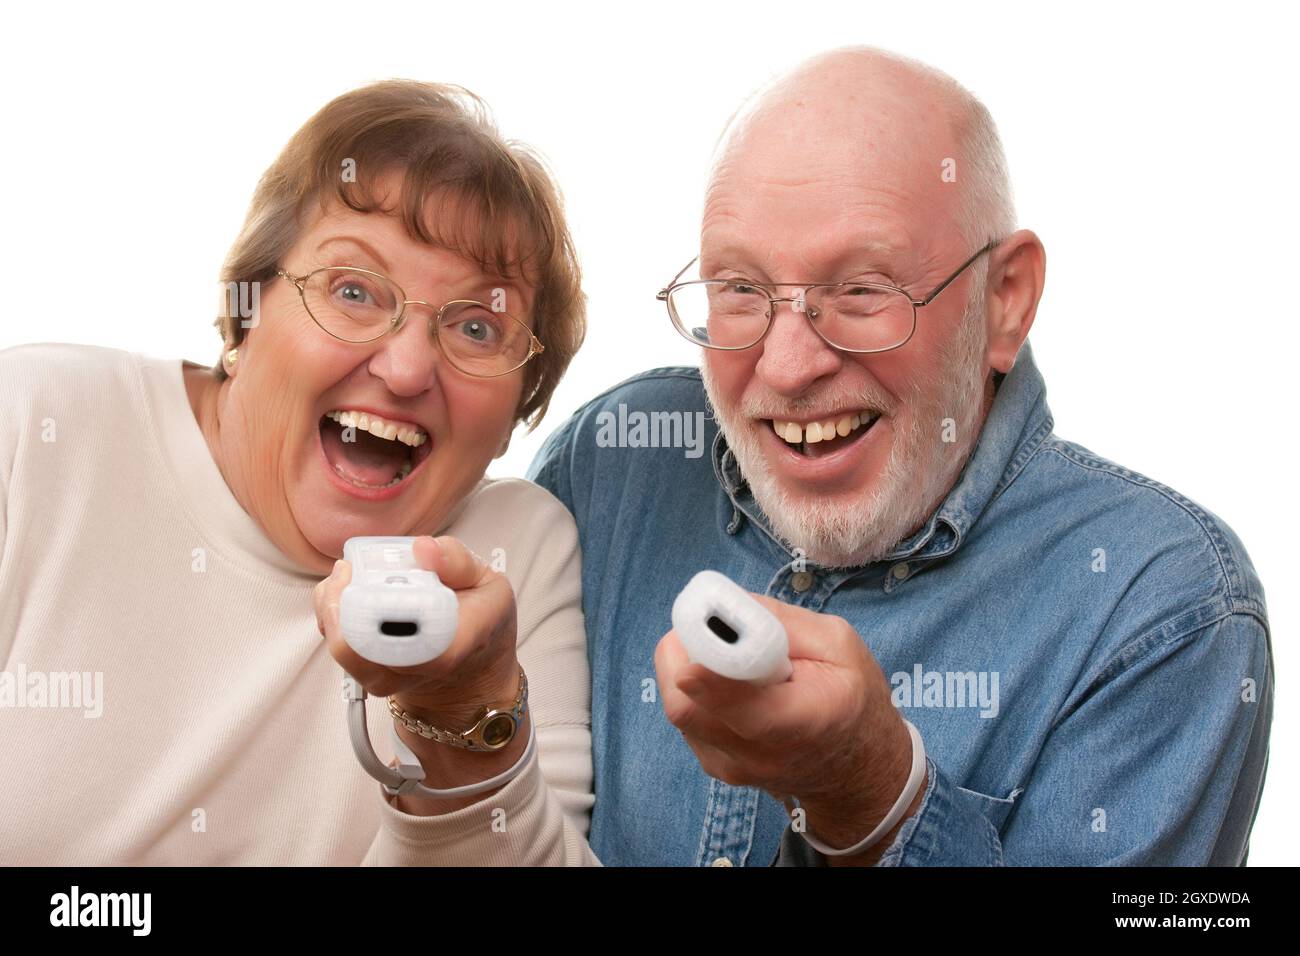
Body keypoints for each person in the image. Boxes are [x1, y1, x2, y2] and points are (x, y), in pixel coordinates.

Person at [526, 47, 1274, 866]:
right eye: (740, 289)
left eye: (859, 291)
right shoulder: (611, 463)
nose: (786, 368)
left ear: (1005, 300)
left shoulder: (1164, 607)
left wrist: (874, 798)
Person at [0, 79, 598, 865]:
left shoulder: (515, 550)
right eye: (353, 290)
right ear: (247, 314)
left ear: (520, 406)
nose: (409, 366)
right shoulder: (37, 424)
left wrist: (465, 723)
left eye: (478, 326)